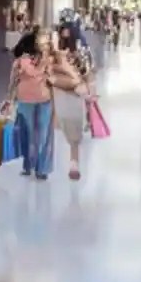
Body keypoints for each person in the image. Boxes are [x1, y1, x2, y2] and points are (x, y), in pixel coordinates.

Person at [7, 33, 53, 180]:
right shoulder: (47, 61)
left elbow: (12, 82)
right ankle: (42, 169)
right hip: (44, 99)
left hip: (25, 100)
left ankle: (28, 166)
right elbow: (53, 81)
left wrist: (9, 99)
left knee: (27, 135)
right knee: (44, 135)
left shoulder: (20, 62)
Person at [55, 28, 91, 181]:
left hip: (68, 97)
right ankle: (73, 164)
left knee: (72, 134)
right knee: (72, 134)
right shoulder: (78, 56)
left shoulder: (59, 57)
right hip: (69, 96)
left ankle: (73, 165)